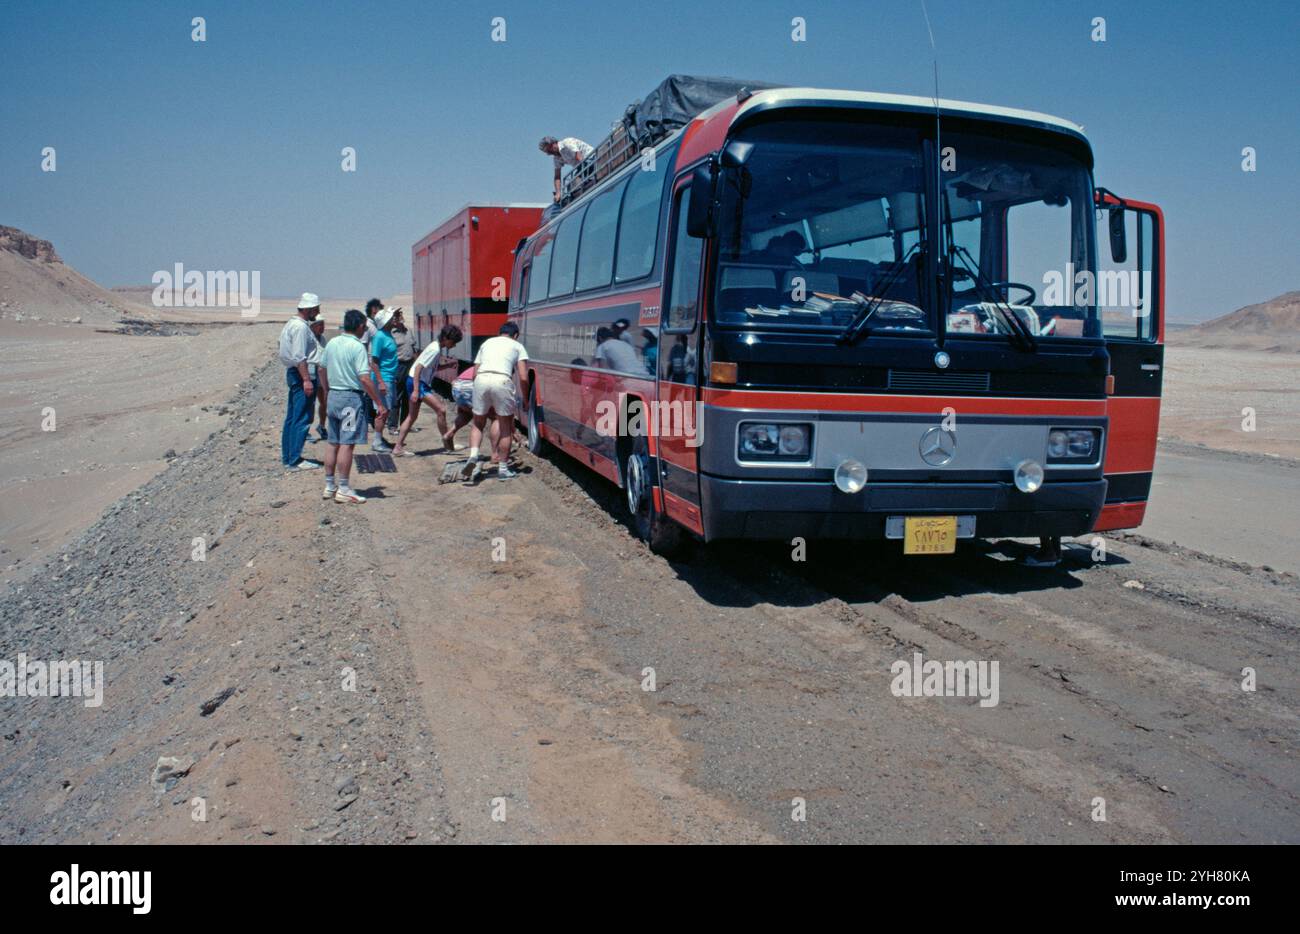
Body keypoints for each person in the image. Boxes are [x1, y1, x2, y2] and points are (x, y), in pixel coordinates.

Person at [319, 309, 388, 504]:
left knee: (333, 441)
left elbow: (321, 368)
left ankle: (329, 485)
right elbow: (364, 378)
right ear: (359, 327)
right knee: (347, 444)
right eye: (365, 327)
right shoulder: (357, 347)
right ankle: (343, 488)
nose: (365, 329)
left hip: (333, 395)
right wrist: (379, 403)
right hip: (350, 399)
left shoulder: (332, 343)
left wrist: (326, 391)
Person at [463, 322, 529, 480]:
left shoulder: (486, 343)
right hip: (502, 380)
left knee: (478, 423)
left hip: (481, 379)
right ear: (516, 335)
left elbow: (474, 373)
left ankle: (473, 455)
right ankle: (503, 469)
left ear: (500, 333)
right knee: (505, 427)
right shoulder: (517, 346)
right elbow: (523, 377)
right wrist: (526, 399)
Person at [393, 324, 463, 456]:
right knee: (441, 409)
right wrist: (415, 390)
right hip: (418, 383)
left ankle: (398, 448)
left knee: (412, 417)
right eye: (453, 342)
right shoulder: (434, 349)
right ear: (446, 338)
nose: (453, 345)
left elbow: (429, 368)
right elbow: (419, 367)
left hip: (416, 381)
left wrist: (447, 365)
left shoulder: (435, 347)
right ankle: (448, 443)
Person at [277, 293, 322, 470]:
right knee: (302, 418)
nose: (318, 312)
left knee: (292, 418)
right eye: (316, 309)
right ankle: (295, 459)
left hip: (296, 373)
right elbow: (299, 356)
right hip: (302, 374)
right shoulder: (301, 328)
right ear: (309, 308)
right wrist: (306, 380)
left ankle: (289, 457)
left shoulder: (292, 324)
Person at [368, 306, 401, 452]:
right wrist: (381, 382)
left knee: (386, 410)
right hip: (384, 377)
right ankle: (376, 441)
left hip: (388, 377)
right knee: (383, 410)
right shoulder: (380, 336)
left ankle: (379, 439)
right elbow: (374, 362)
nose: (395, 318)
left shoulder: (387, 334)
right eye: (392, 316)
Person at [539, 135, 594, 202]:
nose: (549, 153)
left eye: (549, 150)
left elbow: (579, 156)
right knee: (570, 187)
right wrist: (558, 193)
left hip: (590, 158)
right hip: (582, 166)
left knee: (575, 183)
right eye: (547, 152)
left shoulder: (567, 142)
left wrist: (583, 174)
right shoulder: (557, 158)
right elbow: (557, 177)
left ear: (553, 144)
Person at [389, 310, 417, 429]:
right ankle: (393, 425)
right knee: (396, 396)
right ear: (393, 319)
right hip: (398, 366)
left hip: (410, 365)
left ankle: (405, 425)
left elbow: (413, 348)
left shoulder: (409, 330)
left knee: (408, 395)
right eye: (397, 315)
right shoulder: (391, 333)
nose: (400, 317)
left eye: (401, 314)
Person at [307, 317, 328, 443]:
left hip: (320, 374)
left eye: (323, 325)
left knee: (324, 402)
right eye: (320, 325)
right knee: (309, 404)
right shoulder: (308, 339)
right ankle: (305, 430)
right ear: (313, 326)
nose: (322, 327)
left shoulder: (323, 339)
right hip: (310, 374)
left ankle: (322, 426)